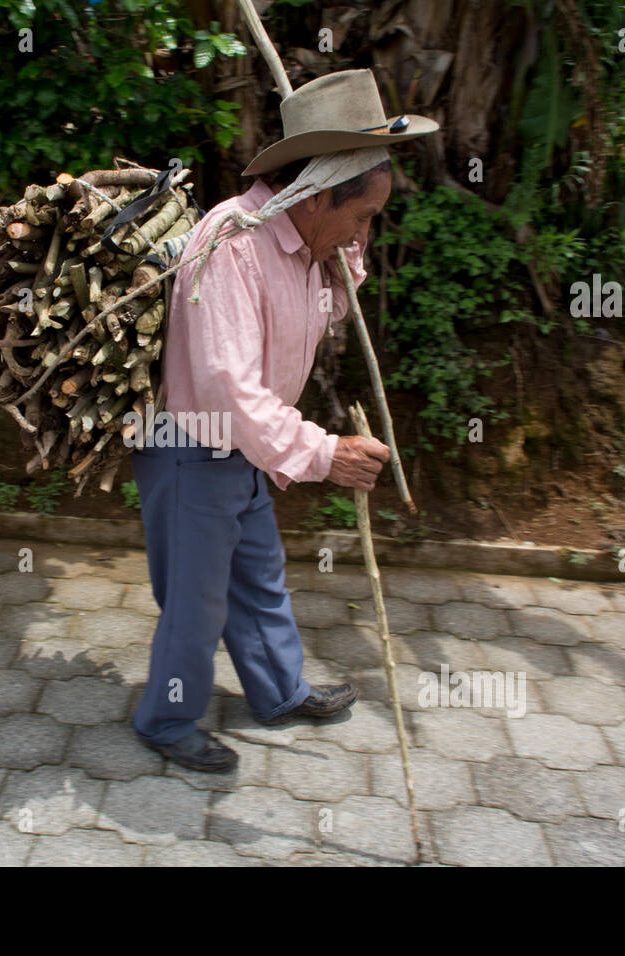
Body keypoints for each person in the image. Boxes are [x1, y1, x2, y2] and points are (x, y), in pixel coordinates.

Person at [129, 70, 439, 772]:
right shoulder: (235, 243)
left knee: (259, 575)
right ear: (319, 195)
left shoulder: (308, 247)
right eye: (361, 217)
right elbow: (227, 388)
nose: (365, 232)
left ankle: (278, 691)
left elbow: (332, 291)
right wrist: (324, 452)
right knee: (194, 601)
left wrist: (346, 247)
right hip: (192, 444)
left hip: (246, 447)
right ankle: (165, 719)